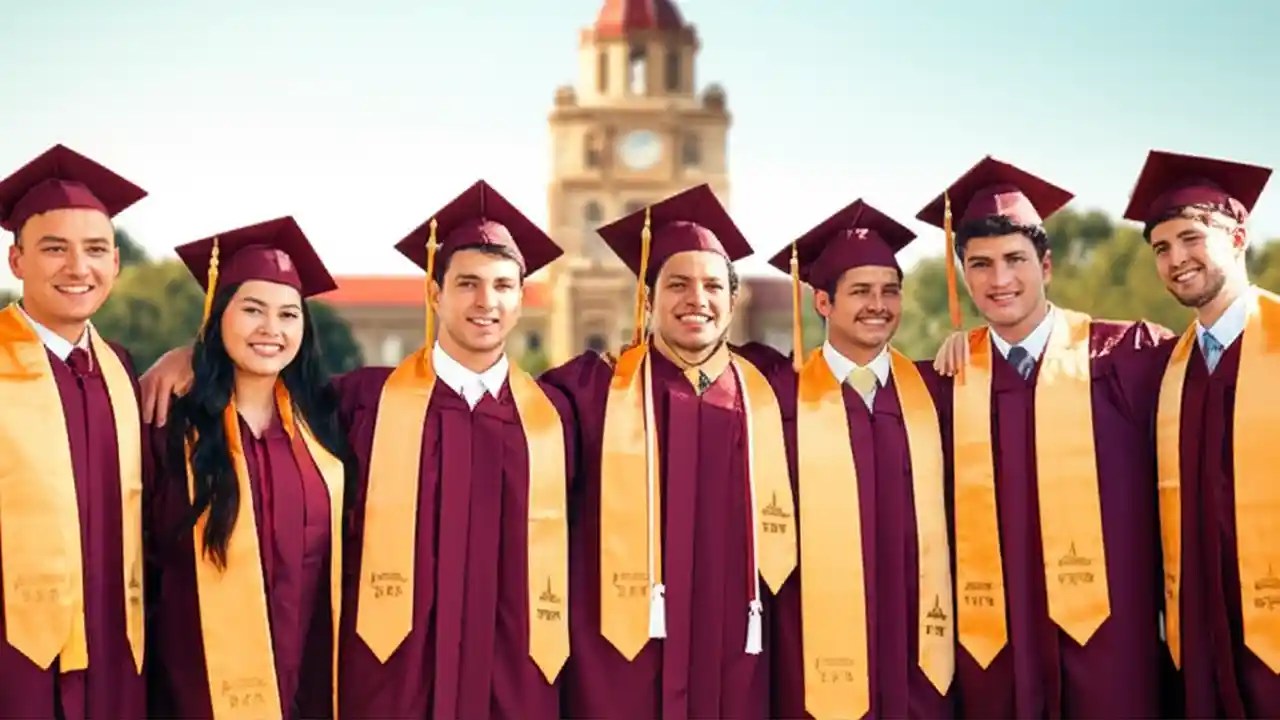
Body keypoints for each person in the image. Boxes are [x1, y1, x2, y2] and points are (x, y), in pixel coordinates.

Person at [140, 180, 575, 719]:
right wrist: (192, 355)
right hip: (381, 691)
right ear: (435, 294)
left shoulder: (560, 418)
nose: (486, 301)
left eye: (503, 285)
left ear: (521, 298)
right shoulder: (357, 404)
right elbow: (261, 382)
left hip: (509, 688)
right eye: (466, 283)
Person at [918, 156, 1173, 717]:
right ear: (963, 274)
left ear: (1047, 264)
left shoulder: (1127, 358)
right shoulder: (945, 386)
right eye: (980, 265)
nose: (999, 279)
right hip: (996, 648)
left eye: (1015, 259)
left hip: (1112, 645)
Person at [540, 183, 796, 719]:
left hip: (738, 658)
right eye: (677, 284)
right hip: (620, 667)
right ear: (648, 298)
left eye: (711, 286)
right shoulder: (587, 390)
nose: (696, 300)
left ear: (733, 299)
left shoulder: (774, 390)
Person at [143, 217, 348, 718]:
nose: (271, 330)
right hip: (189, 693)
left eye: (288, 314)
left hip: (303, 689)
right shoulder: (167, 423)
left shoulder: (327, 421)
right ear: (217, 316)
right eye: (252, 310)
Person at [757, 199, 954, 719]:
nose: (879, 304)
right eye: (861, 292)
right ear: (823, 302)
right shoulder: (778, 397)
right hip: (817, 642)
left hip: (919, 640)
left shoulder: (938, 391)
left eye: (891, 291)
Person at [1123, 149, 1280, 717]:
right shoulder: (1168, 368)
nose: (1176, 260)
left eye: (1191, 238)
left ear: (1238, 237)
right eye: (1162, 248)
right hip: (1203, 629)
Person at [0, 144, 147, 718]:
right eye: (54, 249)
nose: (78, 268)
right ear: (16, 261)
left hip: (115, 651)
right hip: (15, 658)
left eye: (95, 250)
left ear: (115, 263)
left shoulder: (123, 375)